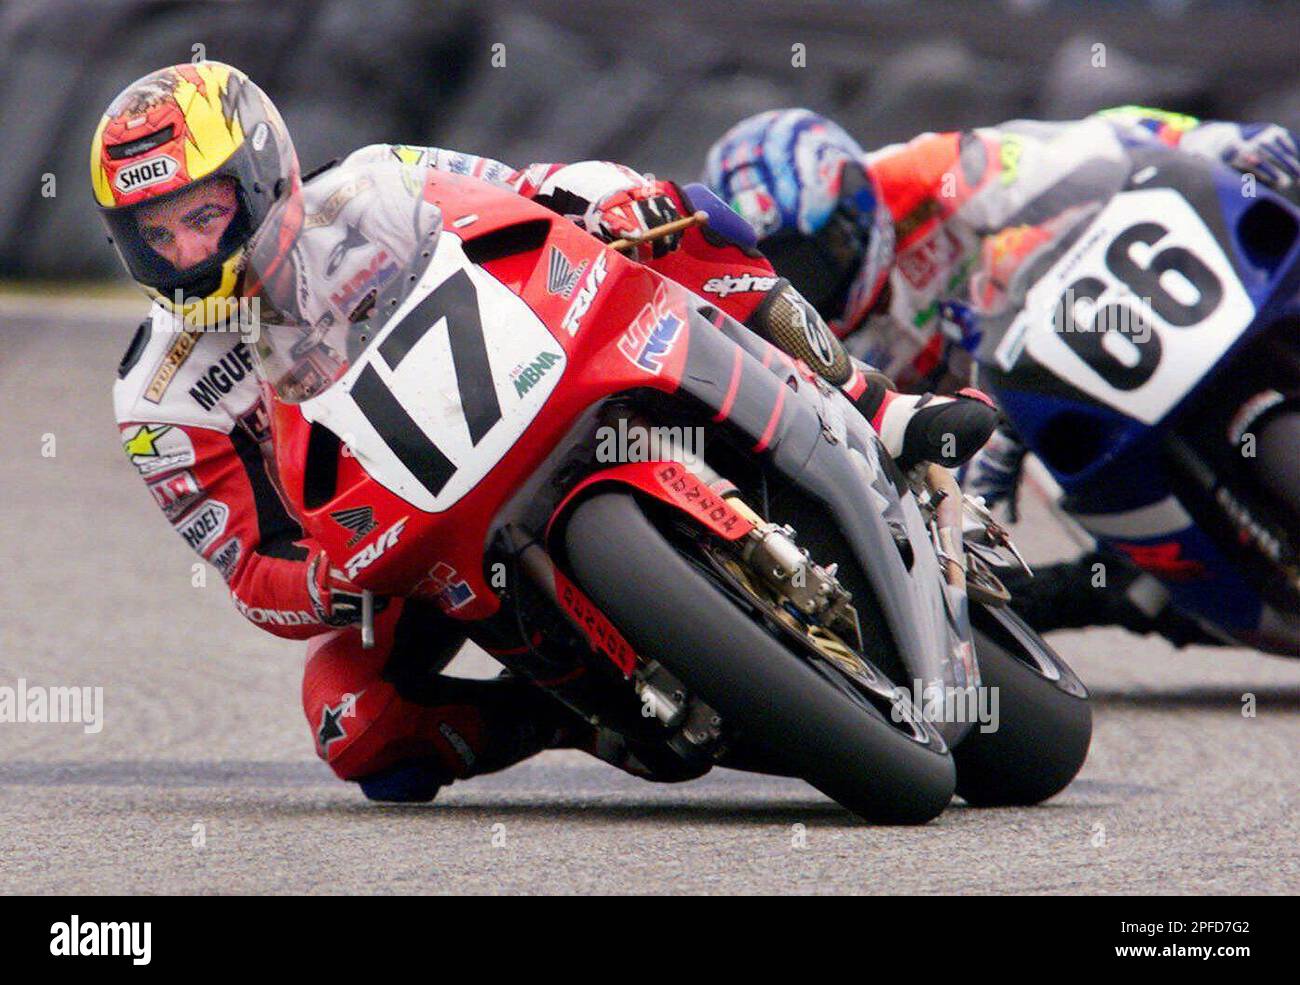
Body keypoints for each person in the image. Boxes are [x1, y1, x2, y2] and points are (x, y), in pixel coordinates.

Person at [96, 62, 997, 803]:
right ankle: (560, 712)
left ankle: (878, 405)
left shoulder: (375, 180)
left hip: (521, 373)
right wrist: (330, 579)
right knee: (356, 729)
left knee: (682, 211)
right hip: (399, 533)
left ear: (257, 179)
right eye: (156, 235)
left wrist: (606, 208)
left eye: (203, 215)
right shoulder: (158, 394)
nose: (184, 253)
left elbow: (523, 192)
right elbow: (252, 571)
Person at [703, 106, 1300, 644]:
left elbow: (1100, 143)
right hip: (1042, 423)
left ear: (856, 206)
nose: (816, 279)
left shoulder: (931, 174)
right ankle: (1163, 593)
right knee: (1110, 591)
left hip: (1133, 307)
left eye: (821, 252)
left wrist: (1219, 139)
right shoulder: (807, 341)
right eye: (793, 271)